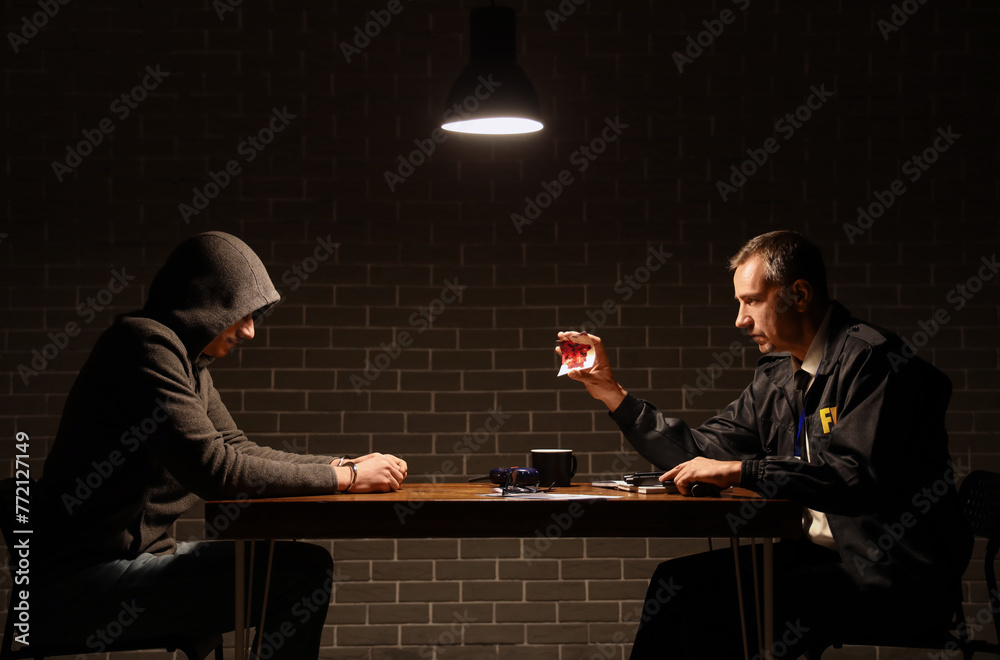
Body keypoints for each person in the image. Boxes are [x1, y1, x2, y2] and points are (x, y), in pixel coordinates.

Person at [560, 230, 972, 658]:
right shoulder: (777, 376)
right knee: (676, 584)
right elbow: (701, 452)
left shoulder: (875, 361)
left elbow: (853, 479)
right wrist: (614, 395)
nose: (739, 319)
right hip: (821, 561)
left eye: (751, 300)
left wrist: (745, 471)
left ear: (799, 293)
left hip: (893, 577)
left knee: (709, 606)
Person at [32, 231, 408, 659]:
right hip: (81, 586)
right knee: (300, 576)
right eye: (240, 313)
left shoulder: (186, 361)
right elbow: (217, 471)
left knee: (296, 567)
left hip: (126, 566)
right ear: (203, 303)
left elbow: (235, 447)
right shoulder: (143, 346)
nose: (249, 331)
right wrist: (347, 479)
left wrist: (341, 463)